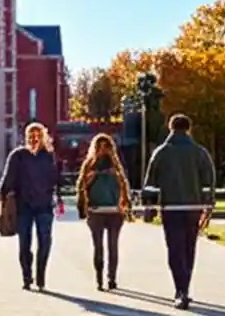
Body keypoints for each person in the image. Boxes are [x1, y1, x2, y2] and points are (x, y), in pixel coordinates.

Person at [144, 113, 216, 310]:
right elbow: (208, 183)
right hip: (193, 208)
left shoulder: (161, 152)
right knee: (188, 248)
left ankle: (180, 290)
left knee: (175, 249)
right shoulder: (200, 153)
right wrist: (208, 207)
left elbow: (150, 183)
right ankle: (185, 287)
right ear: (188, 129)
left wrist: (149, 208)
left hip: (171, 207)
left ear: (170, 128)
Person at [0, 121, 63, 292]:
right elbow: (7, 179)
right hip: (23, 206)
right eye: (31, 136)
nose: (34, 139)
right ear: (26, 137)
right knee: (24, 244)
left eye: (38, 136)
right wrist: (1, 201)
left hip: (44, 207)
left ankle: (41, 276)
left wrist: (59, 197)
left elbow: (56, 179)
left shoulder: (49, 156)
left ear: (43, 137)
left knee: (45, 242)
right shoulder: (18, 155)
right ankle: (27, 276)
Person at [76, 133, 131, 292]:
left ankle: (111, 278)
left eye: (106, 146)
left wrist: (125, 204)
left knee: (113, 246)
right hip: (96, 211)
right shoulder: (89, 165)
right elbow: (80, 187)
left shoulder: (116, 165)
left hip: (115, 211)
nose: (102, 150)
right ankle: (99, 278)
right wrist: (90, 179)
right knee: (98, 246)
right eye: (99, 147)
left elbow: (124, 186)